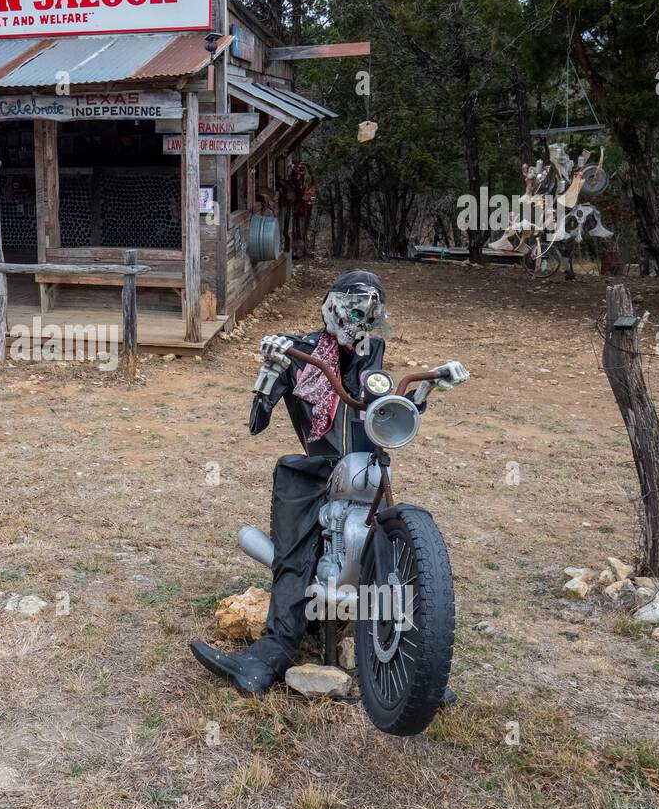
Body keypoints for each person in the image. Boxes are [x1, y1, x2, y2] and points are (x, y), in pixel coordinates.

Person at [190, 269, 468, 695]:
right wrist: (272, 370)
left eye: (373, 317)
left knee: (394, 548)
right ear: (335, 309)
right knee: (294, 553)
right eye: (358, 313)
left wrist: (430, 386)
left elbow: (382, 406)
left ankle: (419, 667)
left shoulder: (372, 355)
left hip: (364, 467)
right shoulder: (300, 351)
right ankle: (269, 656)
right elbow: (257, 421)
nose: (364, 325)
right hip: (317, 470)